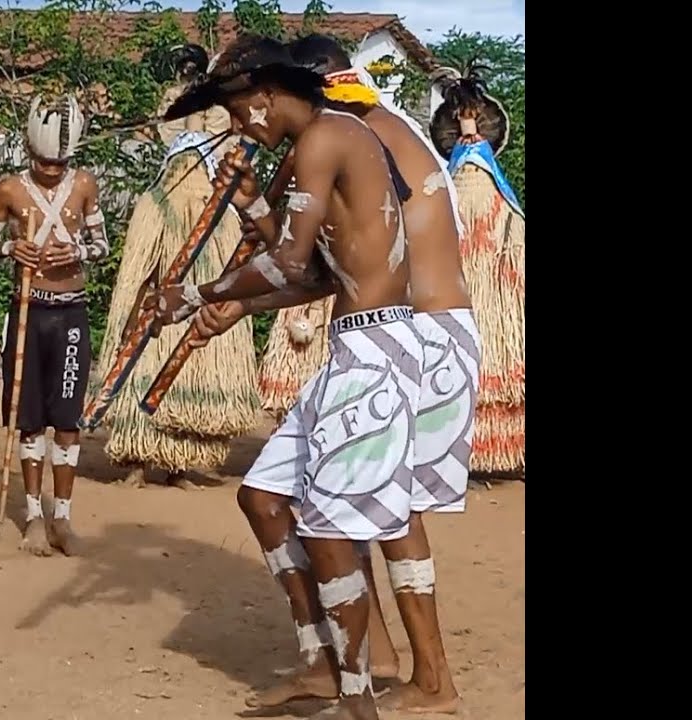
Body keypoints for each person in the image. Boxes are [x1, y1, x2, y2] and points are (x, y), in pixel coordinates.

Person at [192, 34, 480, 713]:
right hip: (407, 334)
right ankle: (365, 659)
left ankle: (420, 677)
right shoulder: (361, 134)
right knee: (336, 504)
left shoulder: (359, 133)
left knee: (377, 510)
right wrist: (239, 288)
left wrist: (214, 294)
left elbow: (324, 262)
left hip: (417, 334)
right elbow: (329, 260)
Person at [150, 34, 421, 720]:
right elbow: (323, 273)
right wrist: (249, 224)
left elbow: (292, 265)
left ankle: (357, 699)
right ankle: (319, 664)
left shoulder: (326, 136)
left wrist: (197, 294)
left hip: (376, 349)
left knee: (328, 527)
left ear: (267, 96)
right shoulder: (329, 140)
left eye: (240, 110)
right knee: (265, 497)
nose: (240, 125)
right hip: (358, 345)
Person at [89, 44, 259, 491]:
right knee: (146, 352)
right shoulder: (156, 198)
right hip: (167, 223)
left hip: (206, 215)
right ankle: (137, 462)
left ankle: (180, 464)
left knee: (193, 358)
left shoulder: (223, 124)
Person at [0, 93, 109, 557]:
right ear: (29, 153)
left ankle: (63, 517)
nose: (52, 170)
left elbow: (101, 245)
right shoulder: (9, 190)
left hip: (70, 312)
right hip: (28, 311)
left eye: (59, 163)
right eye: (43, 162)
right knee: (28, 420)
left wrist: (76, 251)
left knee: (67, 420)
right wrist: (13, 250)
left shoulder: (86, 185)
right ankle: (32, 514)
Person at [429, 63, 524, 478]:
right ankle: (455, 453)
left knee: (496, 369)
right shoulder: (447, 193)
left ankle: (499, 450)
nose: (468, 133)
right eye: (462, 124)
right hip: (460, 299)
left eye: (474, 123)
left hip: (495, 300)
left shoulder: (501, 201)